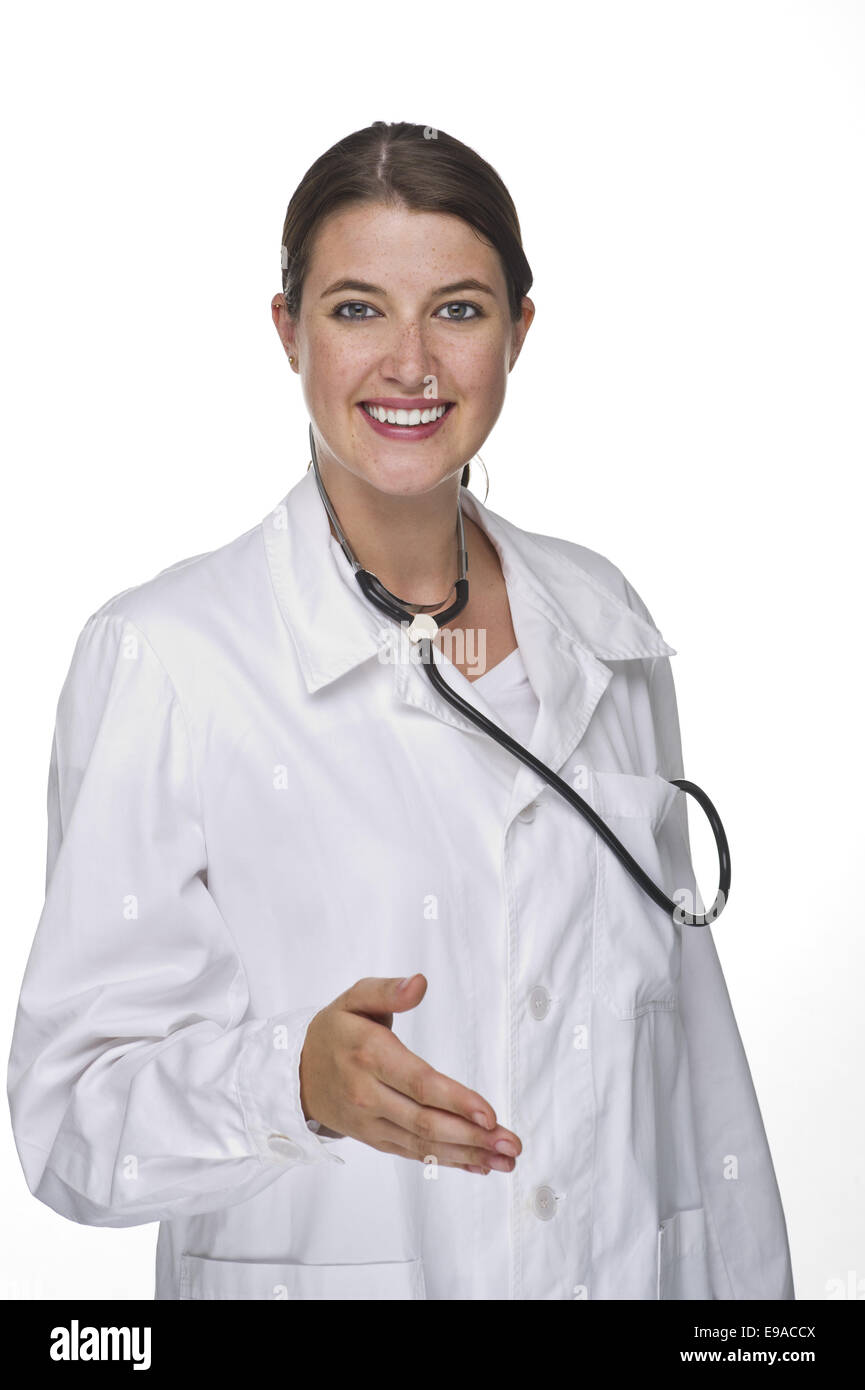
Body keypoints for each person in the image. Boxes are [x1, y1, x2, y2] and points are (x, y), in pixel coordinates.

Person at [7, 120, 794, 1301]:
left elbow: (694, 1060)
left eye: (461, 311)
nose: (412, 364)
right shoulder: (169, 660)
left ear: (520, 333)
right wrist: (294, 1085)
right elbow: (68, 1117)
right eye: (358, 309)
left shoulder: (604, 624)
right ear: (288, 332)